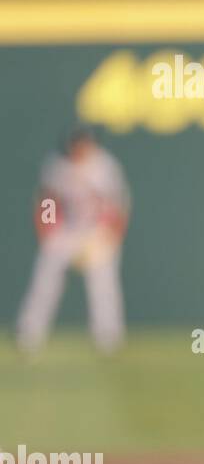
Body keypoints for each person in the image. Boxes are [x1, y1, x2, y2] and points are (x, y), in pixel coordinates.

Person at [16, 128, 130, 353]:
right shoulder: (57, 166)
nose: (79, 150)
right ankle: (30, 332)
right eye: (75, 145)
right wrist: (48, 232)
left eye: (83, 145)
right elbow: (48, 200)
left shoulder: (105, 167)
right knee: (46, 279)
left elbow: (118, 205)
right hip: (66, 230)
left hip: (97, 230)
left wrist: (111, 237)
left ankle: (108, 337)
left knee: (103, 284)